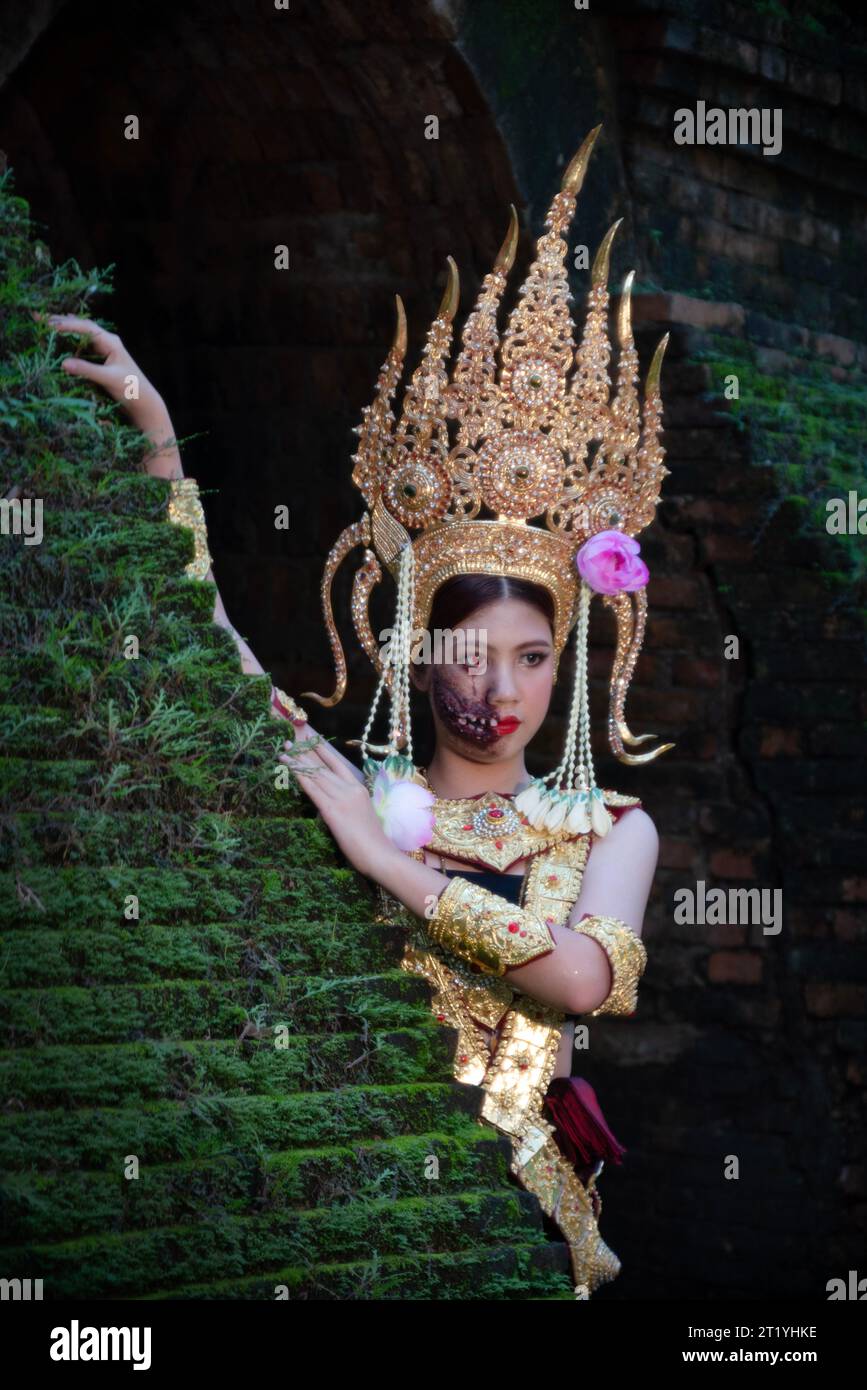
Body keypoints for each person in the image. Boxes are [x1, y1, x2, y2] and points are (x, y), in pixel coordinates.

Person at [36, 124, 672, 1297]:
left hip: (513, 1217)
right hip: (339, 1196)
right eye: (468, 657)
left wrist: (387, 864)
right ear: (414, 652)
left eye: (532, 659)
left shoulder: (610, 828)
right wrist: (161, 445)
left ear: (566, 662)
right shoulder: (353, 785)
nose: (499, 693)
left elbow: (581, 979)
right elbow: (211, 646)